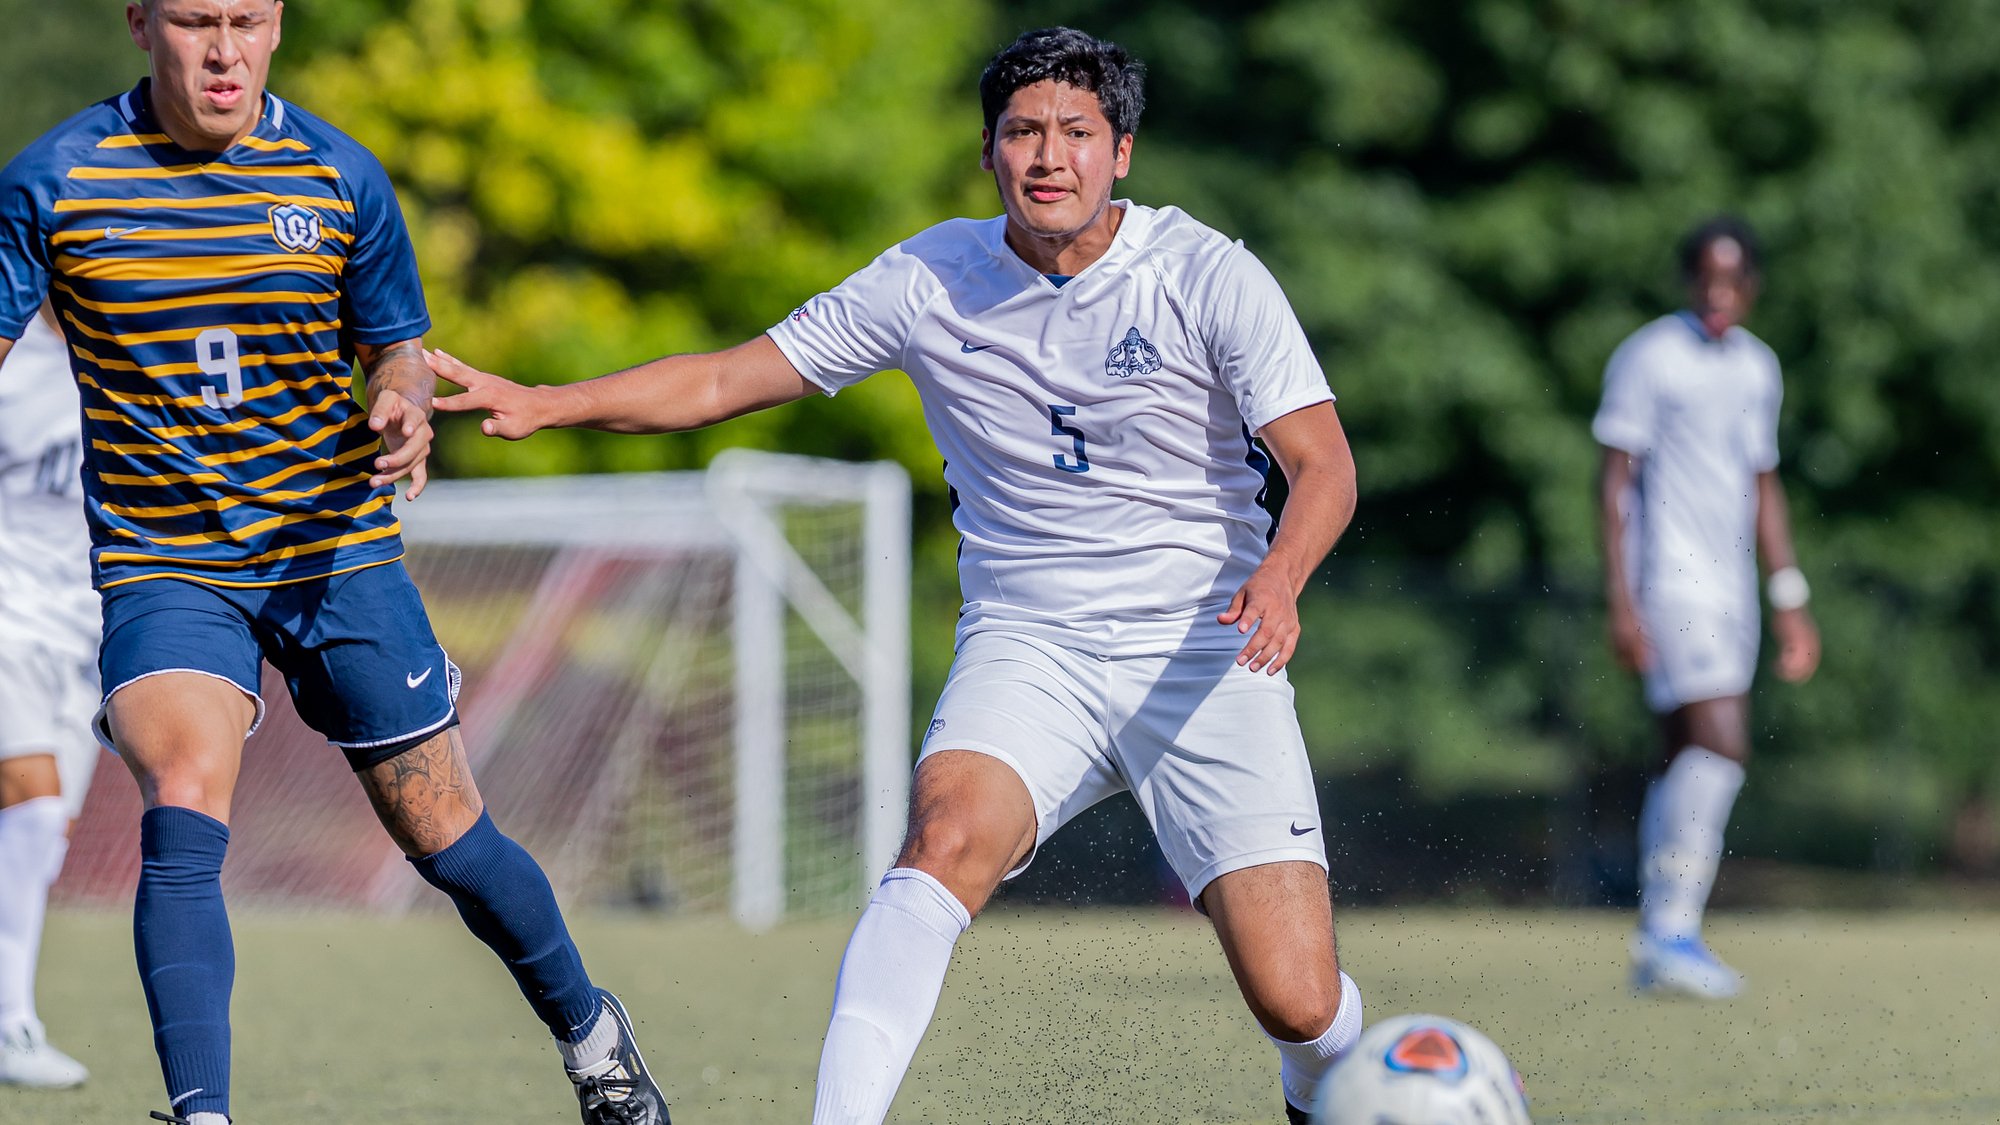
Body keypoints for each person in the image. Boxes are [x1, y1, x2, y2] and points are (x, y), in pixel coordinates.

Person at [431, 26, 1363, 1124]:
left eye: (1075, 132)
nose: (1047, 156)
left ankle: (1332, 1089)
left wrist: (1280, 577)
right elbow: (726, 378)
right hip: (1031, 644)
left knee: (1295, 1002)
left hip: (1207, 643)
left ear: (1121, 152)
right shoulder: (928, 278)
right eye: (1022, 132)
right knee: (941, 841)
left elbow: (1323, 467)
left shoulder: (1206, 275)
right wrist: (550, 402)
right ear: (987, 151)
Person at [0, 3, 670, 1121]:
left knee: (445, 836)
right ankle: (201, 1112)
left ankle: (590, 1032)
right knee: (184, 796)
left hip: (335, 553)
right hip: (165, 560)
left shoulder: (337, 176)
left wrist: (402, 405)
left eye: (249, 21)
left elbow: (396, 343)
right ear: (140, 24)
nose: (225, 51)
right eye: (197, 22)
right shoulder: (54, 179)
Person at [1594, 217, 1821, 1000]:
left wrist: (1789, 597)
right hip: (1671, 580)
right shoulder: (1651, 356)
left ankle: (1660, 935)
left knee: (1682, 756)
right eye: (1706, 279)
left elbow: (1764, 487)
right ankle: (1671, 931)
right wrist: (1622, 600)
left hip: (1735, 591)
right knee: (1722, 745)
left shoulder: (1759, 367)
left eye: (1733, 280)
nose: (1719, 294)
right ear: (1689, 281)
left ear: (1752, 284)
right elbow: (1614, 480)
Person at [0, 305, 96, 1091]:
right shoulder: (12, 346)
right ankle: (10, 1023)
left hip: (91, 630)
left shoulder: (134, 342)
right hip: (6, 611)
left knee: (44, 835)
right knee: (30, 809)